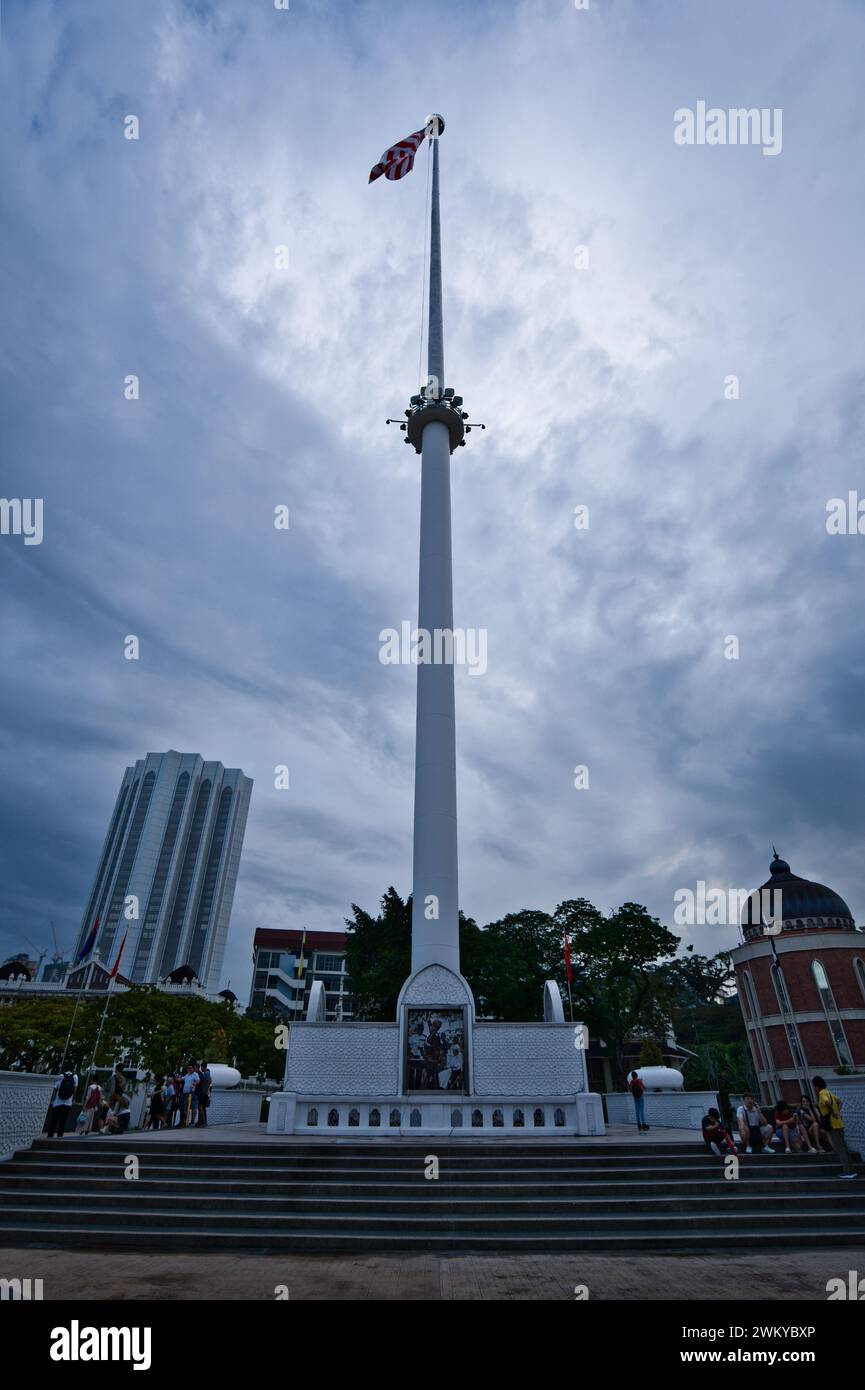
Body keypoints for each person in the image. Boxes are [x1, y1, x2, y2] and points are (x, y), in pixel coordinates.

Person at [813, 1075, 858, 1178]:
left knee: (839, 1147)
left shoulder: (821, 1093)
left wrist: (832, 1113)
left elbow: (826, 1102)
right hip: (838, 1122)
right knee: (844, 1146)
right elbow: (839, 1101)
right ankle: (851, 1169)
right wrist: (838, 1112)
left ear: (816, 1086)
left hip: (832, 1123)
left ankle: (847, 1171)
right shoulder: (828, 1092)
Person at [46, 1069, 79, 1137]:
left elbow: (55, 1088)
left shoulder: (61, 1076)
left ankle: (50, 1135)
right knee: (63, 1121)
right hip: (68, 1102)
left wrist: (53, 1099)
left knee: (54, 1120)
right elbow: (75, 1089)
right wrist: (73, 1098)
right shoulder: (75, 1076)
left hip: (58, 1102)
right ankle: (60, 1135)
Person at [195, 1063, 212, 1128]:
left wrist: (205, 1088)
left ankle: (203, 1122)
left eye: (201, 1067)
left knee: (201, 1107)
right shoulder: (207, 1073)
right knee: (202, 1107)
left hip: (203, 1093)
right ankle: (201, 1121)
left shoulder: (206, 1073)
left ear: (203, 1067)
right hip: (204, 1092)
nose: (201, 1069)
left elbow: (209, 1081)